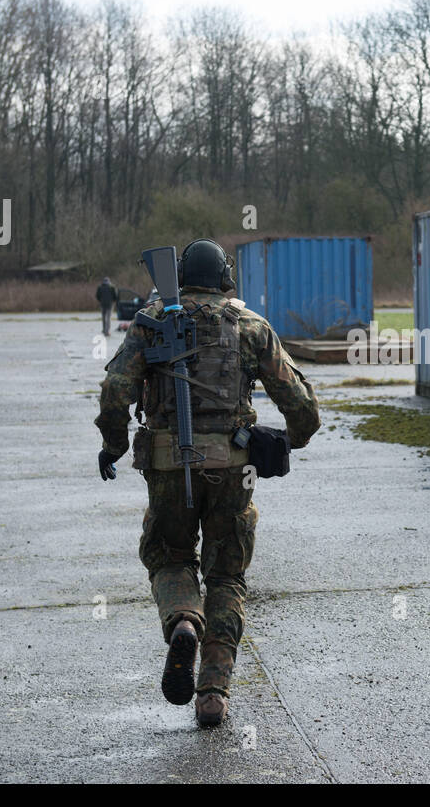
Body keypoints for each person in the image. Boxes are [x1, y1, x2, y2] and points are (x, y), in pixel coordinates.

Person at [94, 239, 320, 727]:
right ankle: (213, 692)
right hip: (232, 468)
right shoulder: (251, 325)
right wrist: (291, 440)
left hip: (168, 466)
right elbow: (300, 402)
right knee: (226, 575)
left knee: (170, 556)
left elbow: (115, 391)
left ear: (177, 273)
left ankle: (181, 621)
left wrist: (113, 446)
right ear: (225, 276)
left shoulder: (150, 320)